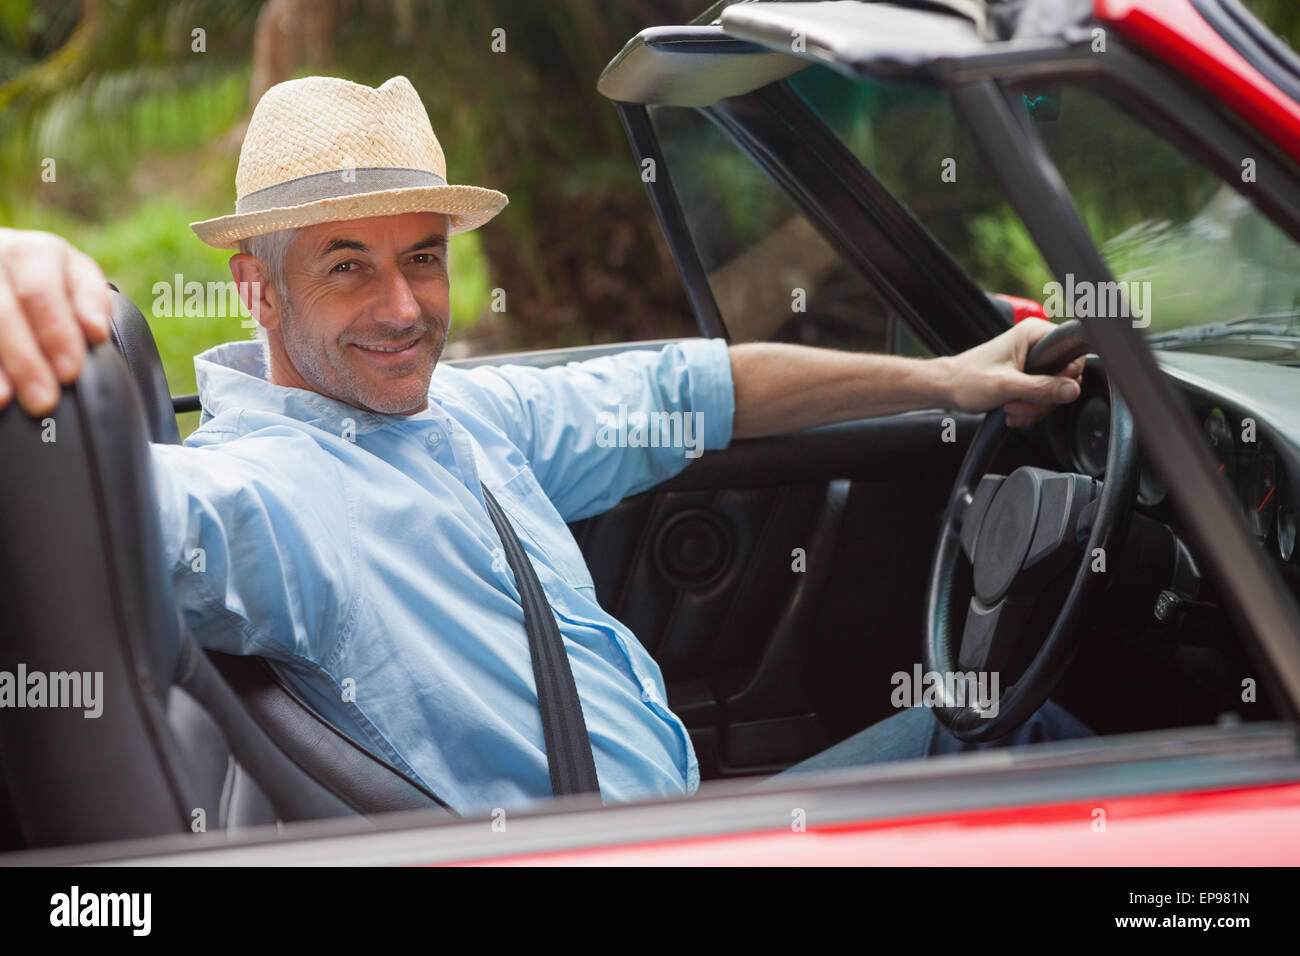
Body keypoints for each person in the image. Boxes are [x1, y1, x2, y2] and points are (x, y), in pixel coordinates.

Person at [0, 75, 1087, 816]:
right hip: (638, 852)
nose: (402, 306)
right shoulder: (263, 497)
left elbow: (694, 386)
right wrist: (11, 273)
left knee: (997, 727)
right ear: (256, 287)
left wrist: (951, 379)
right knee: (1034, 752)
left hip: (686, 817)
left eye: (421, 258)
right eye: (346, 265)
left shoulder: (462, 414)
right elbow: (82, 507)